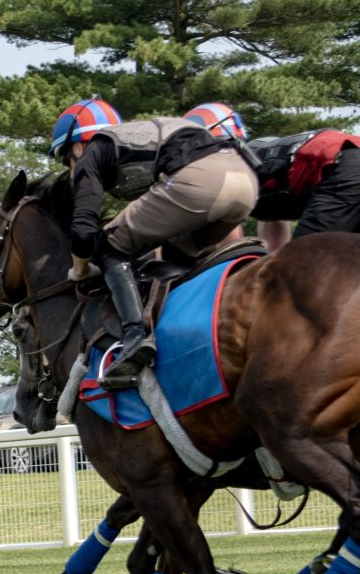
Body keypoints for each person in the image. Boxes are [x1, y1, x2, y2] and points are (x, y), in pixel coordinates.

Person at [53, 98, 258, 388]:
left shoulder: (92, 152)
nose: (70, 171)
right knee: (174, 260)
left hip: (201, 182)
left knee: (107, 244)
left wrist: (81, 268)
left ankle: (135, 339)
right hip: (246, 182)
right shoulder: (135, 140)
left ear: (76, 147)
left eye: (65, 160)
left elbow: (83, 231)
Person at [244, 128, 360, 251]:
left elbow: (270, 244)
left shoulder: (241, 172)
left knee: (300, 265)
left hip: (350, 164)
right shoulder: (276, 164)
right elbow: (273, 223)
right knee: (356, 262)